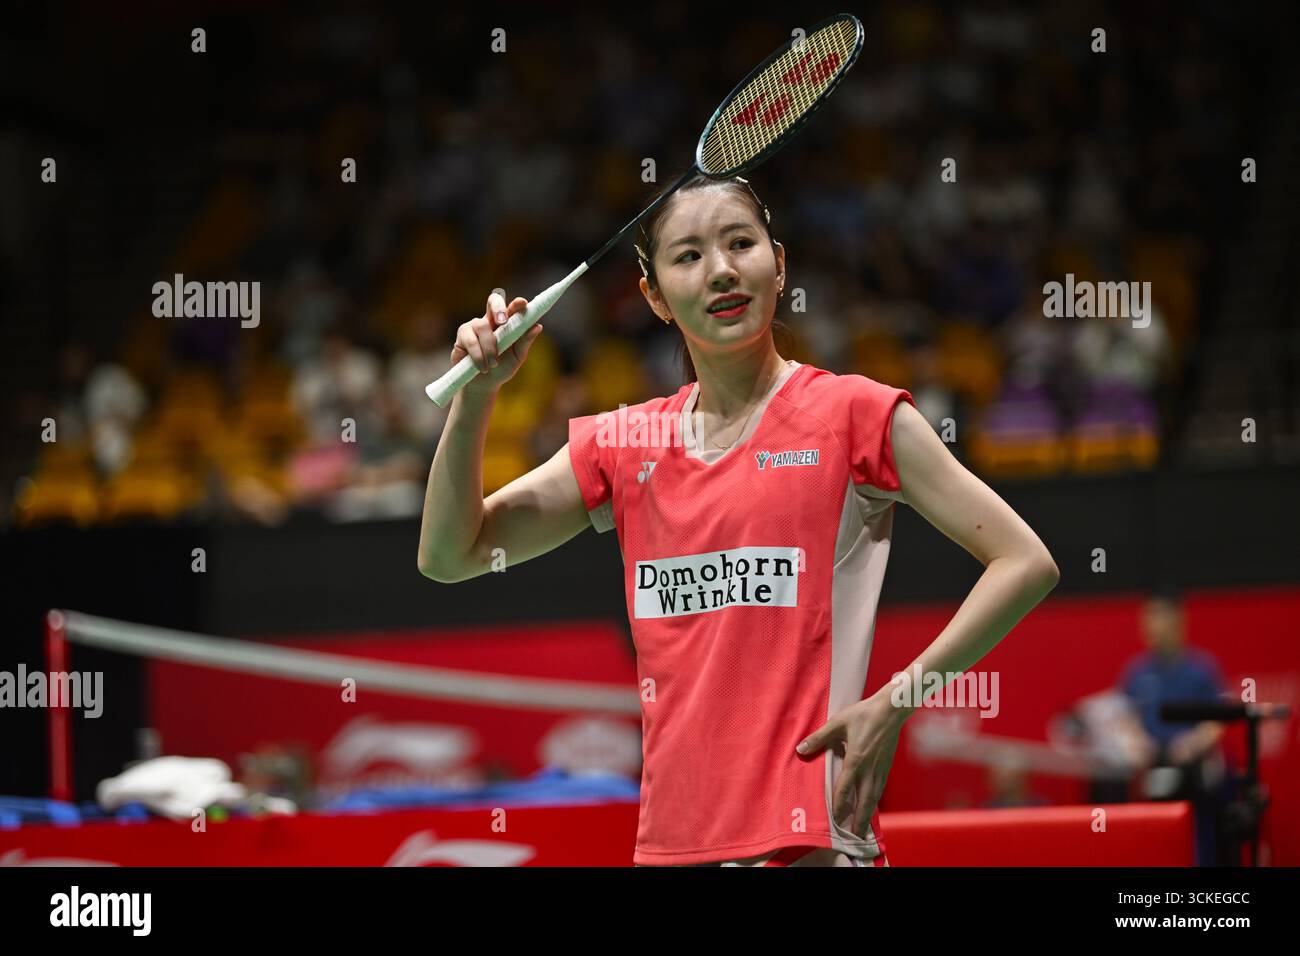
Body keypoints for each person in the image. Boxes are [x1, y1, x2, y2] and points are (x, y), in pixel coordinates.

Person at [417, 174, 1060, 867]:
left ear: (778, 265)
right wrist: (476, 398)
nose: (721, 270)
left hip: (809, 843)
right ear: (654, 297)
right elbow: (452, 555)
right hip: (676, 848)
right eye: (688, 256)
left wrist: (897, 698)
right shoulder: (624, 444)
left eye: (740, 244)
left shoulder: (854, 416)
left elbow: (1025, 561)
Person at [1117, 592, 1233, 865]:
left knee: (1198, 847)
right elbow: (1126, 718)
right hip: (1151, 771)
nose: (1150, 625)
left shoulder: (1201, 670)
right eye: (1146, 619)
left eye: (1158, 617)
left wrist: (1193, 743)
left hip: (1193, 776)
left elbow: (1216, 721)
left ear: (1177, 621)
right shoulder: (1137, 672)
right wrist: (1135, 742)